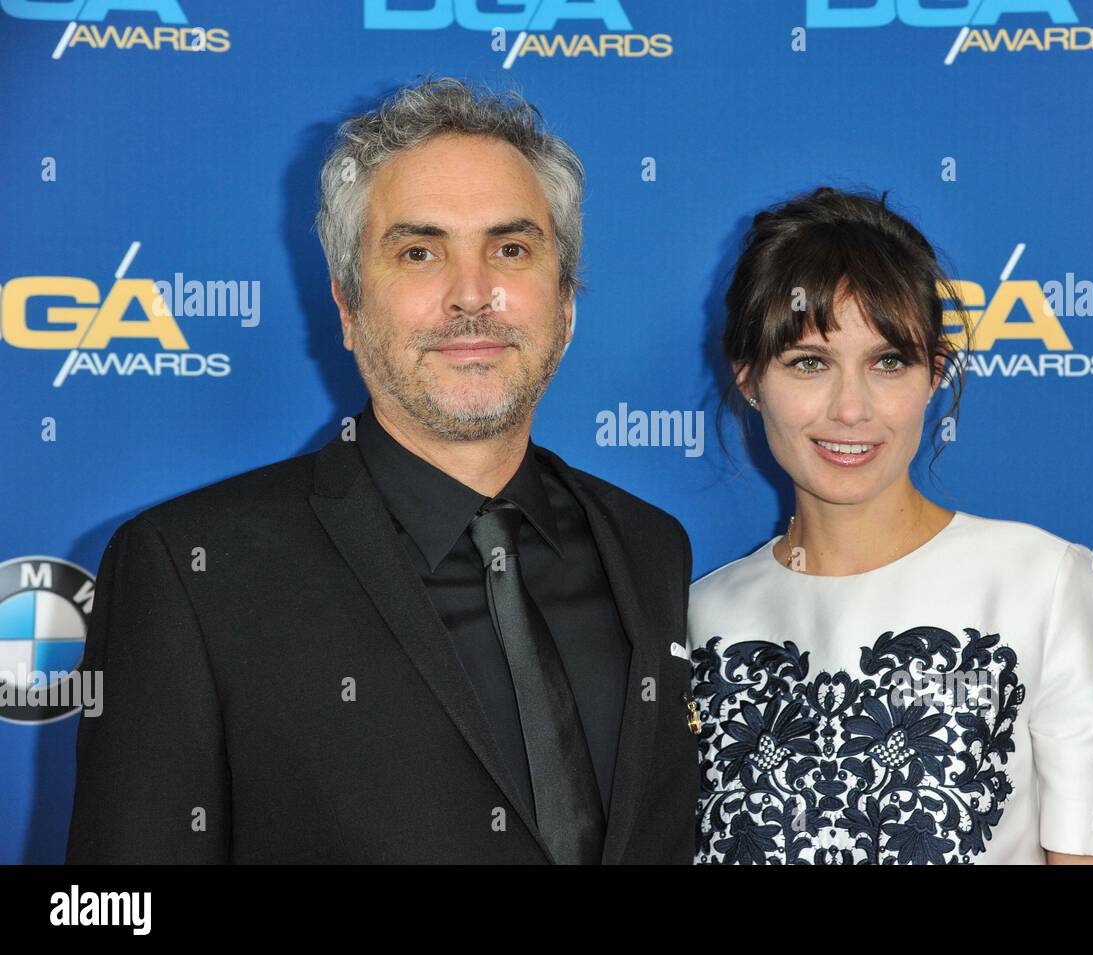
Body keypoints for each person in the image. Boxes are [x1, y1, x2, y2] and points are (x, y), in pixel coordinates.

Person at [65, 78, 696, 864]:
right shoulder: (190, 571)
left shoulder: (649, 546)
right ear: (348, 308)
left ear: (565, 304)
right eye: (419, 251)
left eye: (511, 248)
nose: (473, 295)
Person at [688, 187, 1093, 864]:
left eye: (887, 362)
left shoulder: (1047, 589)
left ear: (934, 373)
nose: (851, 409)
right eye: (809, 362)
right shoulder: (702, 618)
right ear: (749, 379)